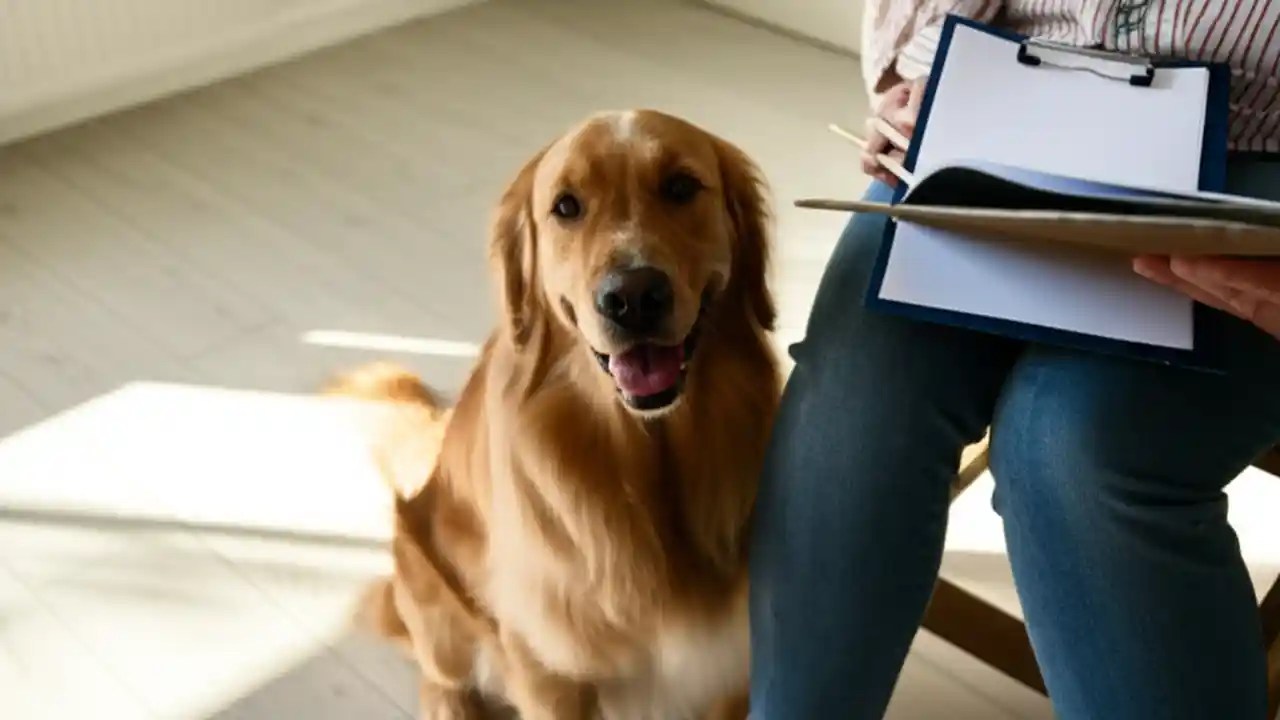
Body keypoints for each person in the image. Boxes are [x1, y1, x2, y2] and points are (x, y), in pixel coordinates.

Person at [748, 2, 1280, 718]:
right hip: (1004, 103)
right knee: (857, 407)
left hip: (1256, 143)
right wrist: (909, 75)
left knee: (1073, 444)